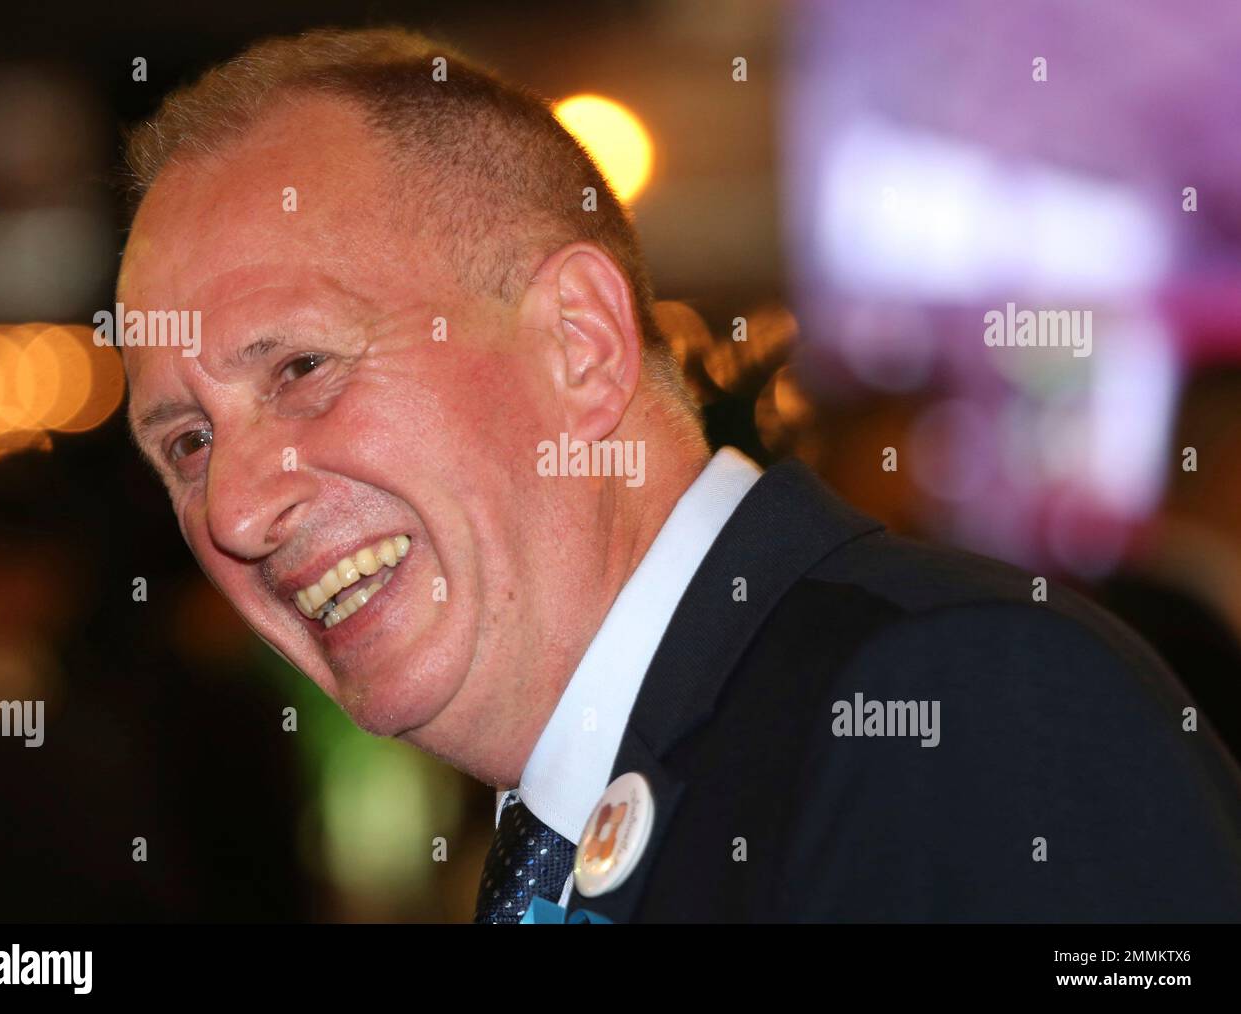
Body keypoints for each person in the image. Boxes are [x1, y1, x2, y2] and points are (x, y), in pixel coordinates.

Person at [117, 27, 1241, 922]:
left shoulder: (954, 713)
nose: (237, 508)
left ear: (583, 345)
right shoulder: (577, 828)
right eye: (186, 444)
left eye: (304, 367)